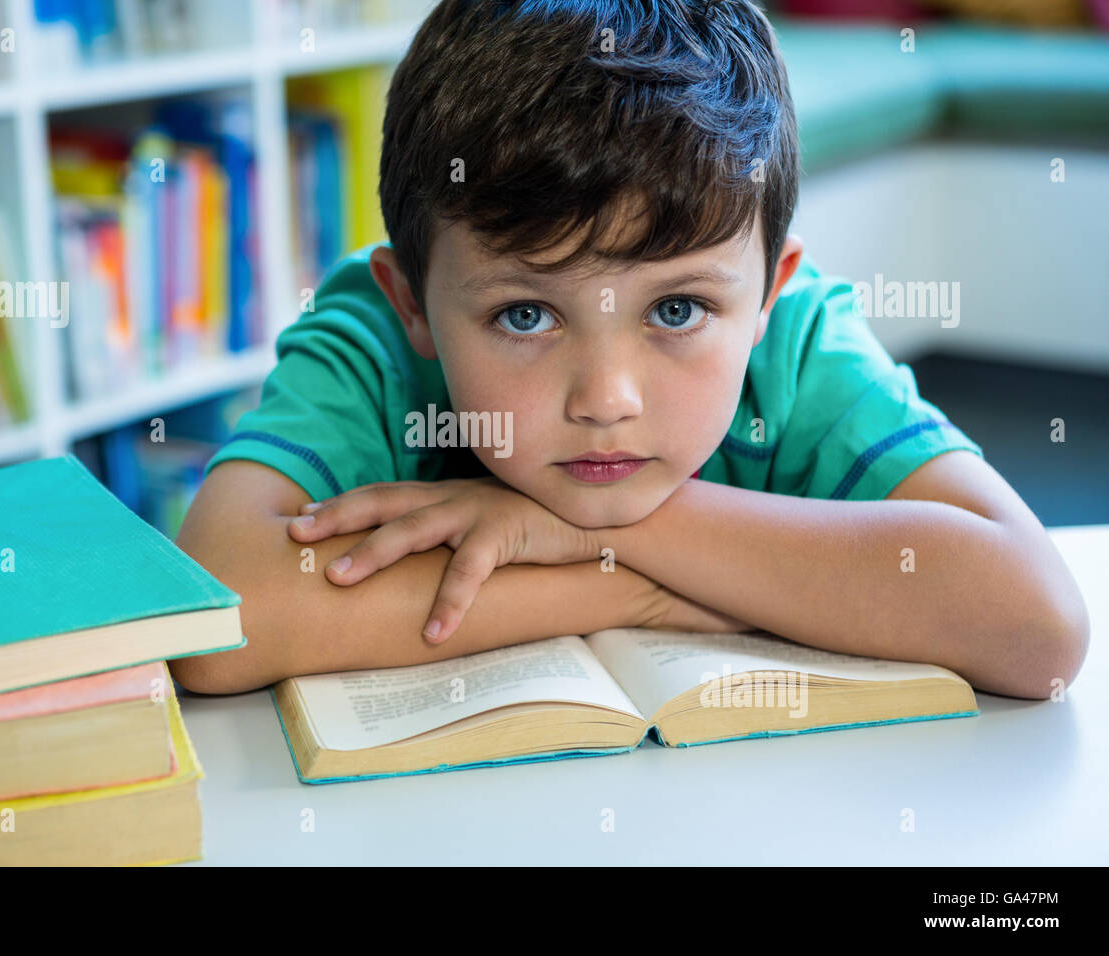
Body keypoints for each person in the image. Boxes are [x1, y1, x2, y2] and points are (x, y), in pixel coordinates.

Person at [170, 0, 1087, 700]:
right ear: (413, 302)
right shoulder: (374, 345)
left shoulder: (799, 342)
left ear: (768, 292)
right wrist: (641, 587)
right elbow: (219, 620)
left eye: (678, 310)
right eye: (526, 316)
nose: (606, 399)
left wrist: (582, 535)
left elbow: (1038, 628)